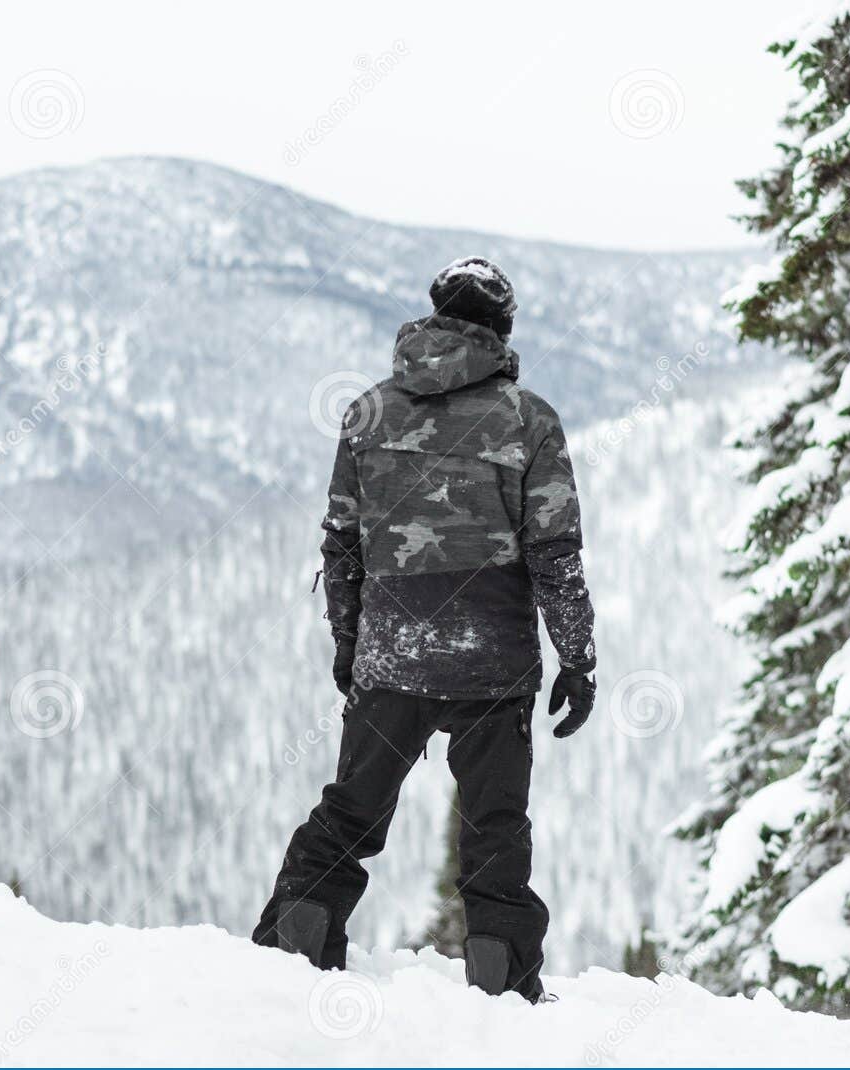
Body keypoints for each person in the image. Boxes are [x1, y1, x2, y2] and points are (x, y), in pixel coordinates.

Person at [252, 257, 596, 1001]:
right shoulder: (529, 419)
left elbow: (342, 542)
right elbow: (553, 551)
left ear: (434, 314)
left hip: (392, 653)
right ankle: (502, 983)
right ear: (502, 328)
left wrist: (350, 645)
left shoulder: (368, 411)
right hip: (493, 659)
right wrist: (578, 659)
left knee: (349, 811)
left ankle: (298, 944)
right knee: (494, 829)